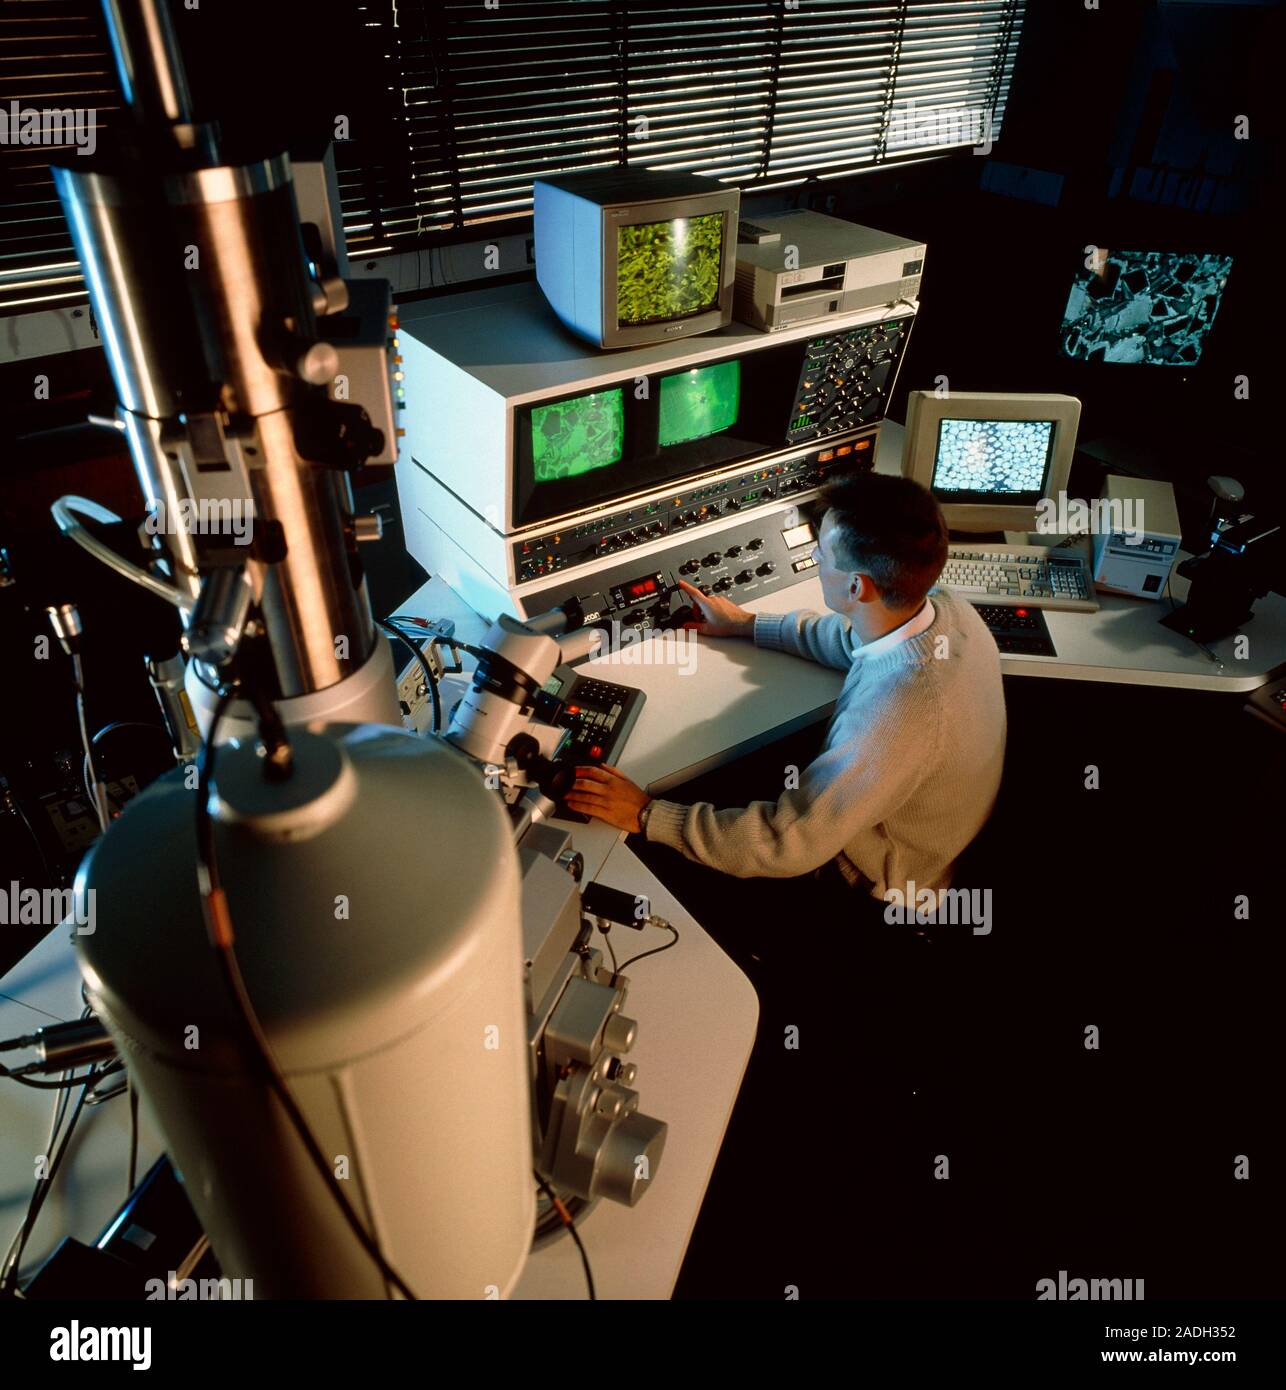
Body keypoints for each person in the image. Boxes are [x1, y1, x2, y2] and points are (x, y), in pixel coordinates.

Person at [564, 471, 1007, 907]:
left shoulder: (899, 712)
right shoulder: (947, 611)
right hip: (914, 822)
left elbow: (788, 845)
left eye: (822, 555)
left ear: (857, 586)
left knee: (662, 834)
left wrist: (648, 815)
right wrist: (748, 625)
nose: (814, 557)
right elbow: (852, 639)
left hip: (883, 877)